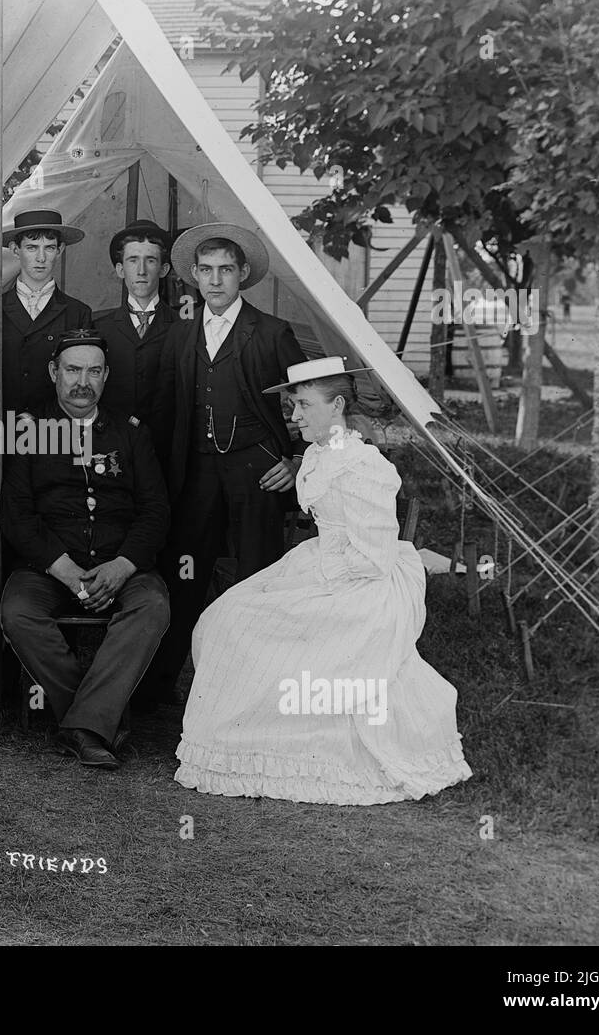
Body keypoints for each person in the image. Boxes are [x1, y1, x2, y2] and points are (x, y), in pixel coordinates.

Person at [175, 357, 473, 804]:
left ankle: (278, 747)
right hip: (325, 563)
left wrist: (321, 578)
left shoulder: (361, 466)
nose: (294, 417)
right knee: (223, 617)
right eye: (293, 406)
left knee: (240, 621)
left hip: (360, 582)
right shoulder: (318, 454)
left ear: (336, 406)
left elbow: (372, 556)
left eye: (304, 406)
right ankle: (247, 741)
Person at [140, 222, 308, 707]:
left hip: (258, 472)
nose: (215, 281)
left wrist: (295, 460)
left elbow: (316, 401)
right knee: (184, 576)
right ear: (193, 275)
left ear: (243, 275)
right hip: (195, 475)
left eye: (226, 271)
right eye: (207, 271)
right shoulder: (178, 336)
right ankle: (156, 691)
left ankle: (257, 695)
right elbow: (162, 412)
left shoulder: (272, 332)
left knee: (258, 575)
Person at [0, 329, 171, 770]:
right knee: (18, 613)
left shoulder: (130, 433)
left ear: (107, 376)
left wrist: (123, 566)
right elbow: (17, 515)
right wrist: (65, 571)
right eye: (73, 370)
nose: (83, 382)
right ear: (53, 372)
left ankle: (80, 725)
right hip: (50, 567)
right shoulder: (31, 430)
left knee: (152, 605)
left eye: (94, 371)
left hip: (120, 563)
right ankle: (96, 722)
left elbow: (155, 511)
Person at [0, 209, 93, 472]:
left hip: (58, 435)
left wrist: (83, 447)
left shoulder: (77, 312)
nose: (41, 258)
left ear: (61, 250)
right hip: (4, 434)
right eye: (32, 247)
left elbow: (86, 389)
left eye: (49, 247)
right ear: (15, 249)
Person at [93, 218, 178, 468]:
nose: (141, 270)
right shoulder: (100, 328)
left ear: (164, 269)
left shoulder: (182, 327)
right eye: (133, 260)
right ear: (120, 269)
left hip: (166, 452)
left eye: (150, 260)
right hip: (112, 449)